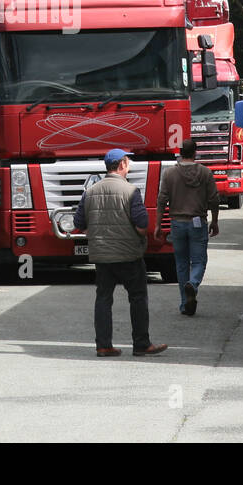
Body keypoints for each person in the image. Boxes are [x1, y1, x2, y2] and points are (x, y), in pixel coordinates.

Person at [73, 148, 168, 357]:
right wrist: (137, 234)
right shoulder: (131, 191)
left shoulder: (90, 191)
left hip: (101, 256)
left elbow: (78, 222)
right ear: (123, 164)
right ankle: (142, 344)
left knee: (104, 298)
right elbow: (143, 224)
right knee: (137, 297)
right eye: (128, 161)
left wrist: (94, 231)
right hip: (128, 255)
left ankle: (103, 345)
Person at [156, 139, 220, 316]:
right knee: (199, 261)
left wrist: (158, 225)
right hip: (197, 221)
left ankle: (185, 303)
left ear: (180, 152)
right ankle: (193, 283)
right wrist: (215, 220)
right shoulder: (206, 173)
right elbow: (214, 199)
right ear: (195, 153)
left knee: (181, 263)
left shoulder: (169, 174)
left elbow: (162, 200)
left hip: (177, 223)